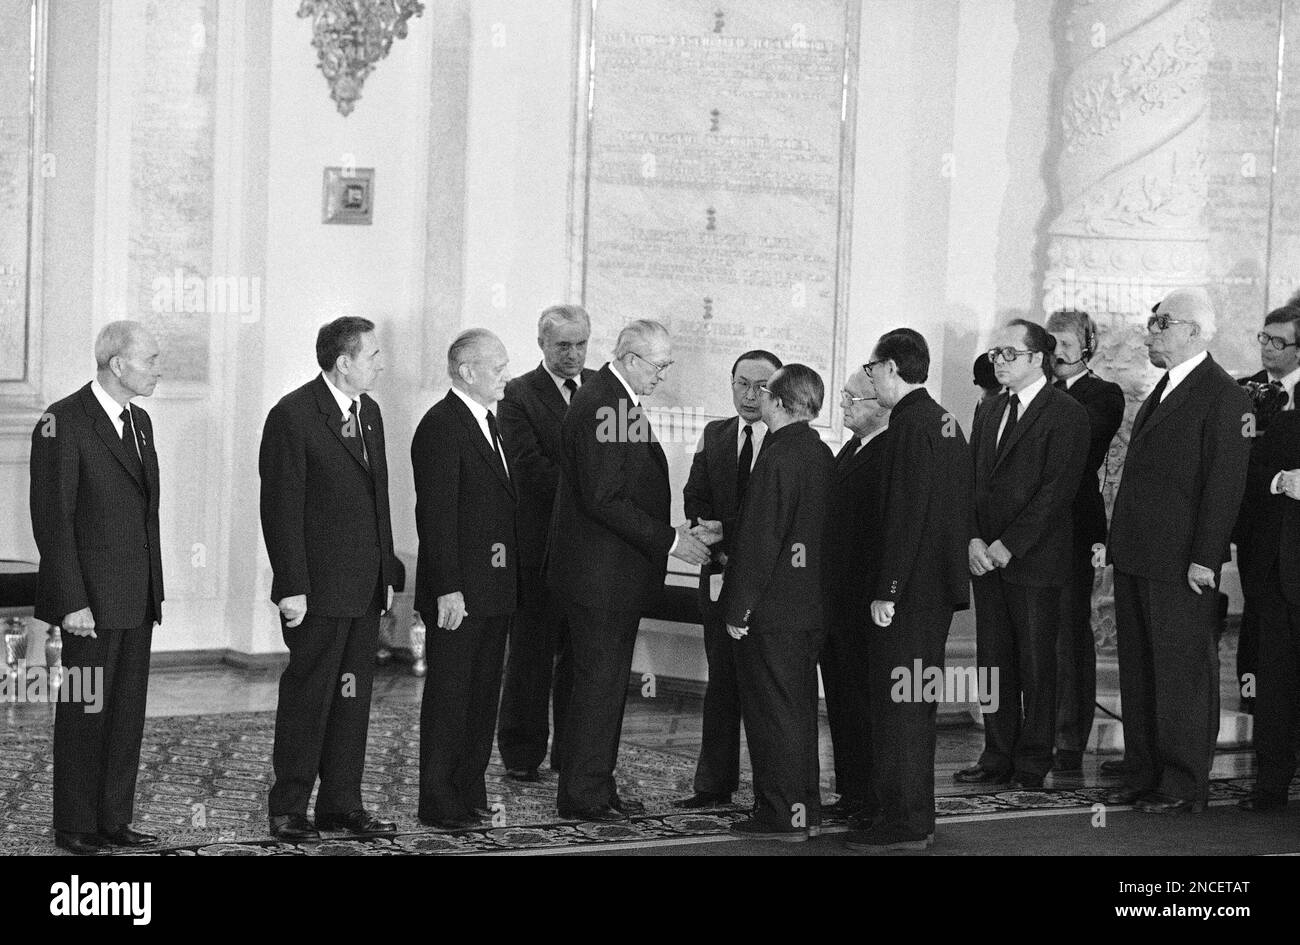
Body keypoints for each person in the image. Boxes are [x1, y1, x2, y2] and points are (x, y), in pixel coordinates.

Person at [547, 320, 713, 821]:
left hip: (603, 575)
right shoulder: (606, 403)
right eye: (660, 365)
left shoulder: (610, 396)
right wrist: (671, 541)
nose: (663, 375)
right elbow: (604, 497)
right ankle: (585, 796)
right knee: (598, 686)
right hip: (601, 577)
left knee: (596, 685)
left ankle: (594, 787)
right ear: (632, 358)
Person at [258, 316, 404, 841]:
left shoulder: (371, 414)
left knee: (352, 699)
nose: (381, 363)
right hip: (315, 590)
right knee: (308, 699)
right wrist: (290, 585)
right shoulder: (293, 416)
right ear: (344, 362)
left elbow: (378, 499)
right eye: (373, 354)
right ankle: (289, 807)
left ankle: (342, 804)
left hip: (364, 586)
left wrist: (387, 570)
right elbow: (280, 509)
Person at [1105, 289, 1251, 814]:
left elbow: (1224, 485)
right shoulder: (1163, 389)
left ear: (1195, 331)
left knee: (1182, 675)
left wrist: (1206, 558)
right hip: (1140, 555)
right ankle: (1145, 772)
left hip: (1183, 562)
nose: (1151, 331)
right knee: (1141, 670)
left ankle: (1184, 781)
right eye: (1152, 321)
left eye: (1163, 322)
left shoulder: (1223, 394)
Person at [29, 321, 164, 855]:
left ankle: (114, 819)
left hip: (135, 595)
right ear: (117, 364)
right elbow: (53, 520)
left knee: (126, 714)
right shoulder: (61, 421)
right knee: (86, 714)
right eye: (151, 359)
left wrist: (154, 588)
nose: (158, 368)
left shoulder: (142, 422)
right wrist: (71, 602)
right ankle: (76, 825)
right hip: (90, 600)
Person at [843, 328, 971, 852]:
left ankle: (906, 824)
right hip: (933, 591)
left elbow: (906, 515)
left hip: (909, 594)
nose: (870, 379)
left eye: (872, 370)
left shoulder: (910, 425)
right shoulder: (944, 421)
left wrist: (888, 589)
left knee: (899, 710)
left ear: (892, 367)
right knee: (912, 705)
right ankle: (908, 815)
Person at [957, 320, 1088, 789]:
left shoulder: (1066, 413)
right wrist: (972, 539)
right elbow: (971, 482)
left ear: (1039, 359)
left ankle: (1034, 761)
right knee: (992, 662)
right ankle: (996, 755)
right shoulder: (988, 408)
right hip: (984, 560)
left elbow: (1055, 494)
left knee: (1036, 664)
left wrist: (1005, 546)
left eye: (1010, 354)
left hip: (1032, 560)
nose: (999, 362)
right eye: (996, 354)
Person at [413, 329, 518, 828]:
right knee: (451, 697)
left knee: (481, 697)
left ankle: (469, 788)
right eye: (498, 367)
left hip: (494, 590)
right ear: (468, 372)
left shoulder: (488, 422)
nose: (507, 375)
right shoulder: (441, 425)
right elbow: (436, 517)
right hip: (459, 593)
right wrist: (448, 588)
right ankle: (438, 798)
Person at [723, 365, 833, 841]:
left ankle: (780, 815)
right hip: (809, 609)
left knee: (772, 715)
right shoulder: (819, 451)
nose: (758, 397)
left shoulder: (778, 454)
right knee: (797, 711)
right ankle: (804, 808)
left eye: (765, 392)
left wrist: (738, 608)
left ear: (782, 403)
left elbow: (762, 539)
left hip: (772, 610)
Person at [672, 349, 783, 810]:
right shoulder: (715, 434)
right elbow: (694, 494)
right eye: (742, 383)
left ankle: (770, 794)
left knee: (763, 689)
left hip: (769, 586)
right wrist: (709, 533)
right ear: (731, 383)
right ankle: (713, 785)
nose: (751, 395)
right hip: (717, 575)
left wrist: (730, 531)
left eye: (762, 387)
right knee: (721, 684)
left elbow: (778, 517)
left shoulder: (787, 440)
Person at [495, 305, 595, 782]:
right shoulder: (517, 394)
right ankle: (521, 753)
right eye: (563, 346)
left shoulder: (603, 389)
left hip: (593, 552)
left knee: (581, 656)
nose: (574, 355)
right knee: (531, 655)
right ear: (541, 345)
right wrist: (597, 493)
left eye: (581, 344)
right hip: (538, 549)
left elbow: (632, 451)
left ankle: (572, 753)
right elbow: (528, 468)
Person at [1044, 309, 1125, 774]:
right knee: (1037, 635)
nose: (1056, 352)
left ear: (1086, 347)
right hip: (1031, 530)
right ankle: (1035, 732)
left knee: (1070, 632)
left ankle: (1070, 738)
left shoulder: (1103, 394)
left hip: (1075, 524)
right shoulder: (1041, 393)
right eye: (1050, 343)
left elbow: (1084, 436)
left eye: (1065, 344)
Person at [820, 367, 890, 822]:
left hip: (863, 600)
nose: (842, 404)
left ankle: (870, 796)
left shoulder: (888, 452)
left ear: (880, 404)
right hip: (837, 601)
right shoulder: (853, 446)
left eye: (851, 398)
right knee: (842, 701)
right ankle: (852, 791)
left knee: (863, 704)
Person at [1232, 305, 1300, 716]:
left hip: (1293, 531)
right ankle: (1252, 696)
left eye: (1279, 342)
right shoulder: (1243, 390)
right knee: (1256, 617)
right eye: (1264, 338)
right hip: (1254, 524)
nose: (1268, 349)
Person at [1238, 407, 1300, 811]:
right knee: (1274, 687)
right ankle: (1271, 785)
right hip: (1282, 577)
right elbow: (1251, 471)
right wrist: (1280, 481)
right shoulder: (1290, 421)